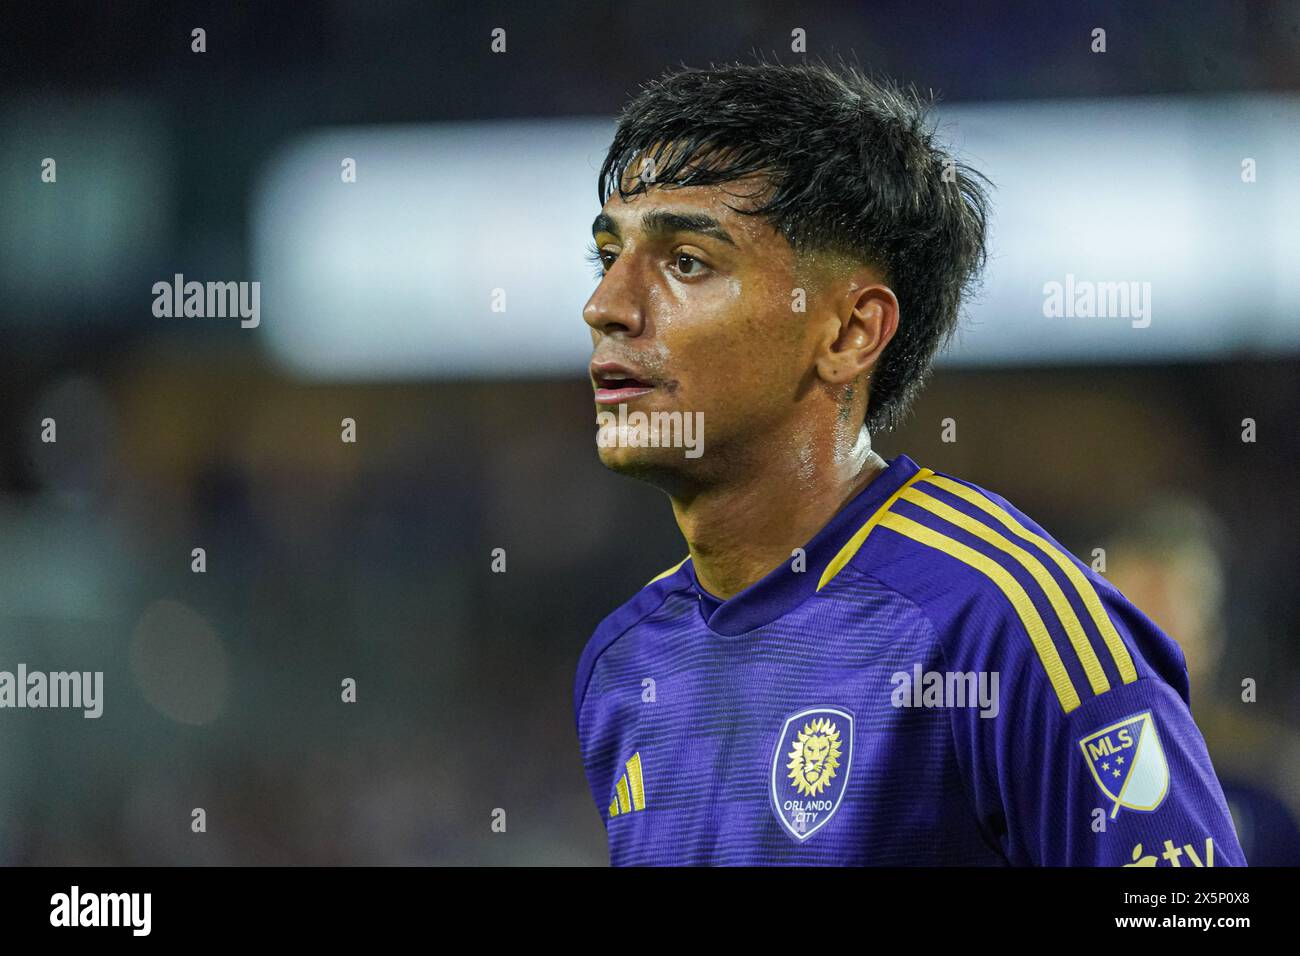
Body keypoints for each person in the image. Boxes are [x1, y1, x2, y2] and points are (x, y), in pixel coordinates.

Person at [572, 59, 1244, 866]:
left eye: (687, 262)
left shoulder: (1003, 625)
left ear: (851, 333)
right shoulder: (625, 662)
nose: (607, 305)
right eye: (608, 255)